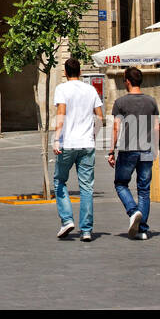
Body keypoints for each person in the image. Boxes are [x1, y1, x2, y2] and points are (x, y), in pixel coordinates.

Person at [51, 57, 103, 241]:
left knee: (59, 182)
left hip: (68, 143)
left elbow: (61, 113)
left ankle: (67, 220)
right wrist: (93, 134)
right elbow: (100, 117)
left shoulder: (62, 89)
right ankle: (87, 230)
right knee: (86, 187)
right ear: (80, 72)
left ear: (65, 72)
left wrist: (56, 139)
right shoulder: (90, 90)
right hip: (87, 143)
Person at [107, 66, 157, 240]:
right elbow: (156, 127)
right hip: (147, 148)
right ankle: (142, 229)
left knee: (120, 183)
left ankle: (133, 211)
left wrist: (111, 150)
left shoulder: (121, 103)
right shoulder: (151, 101)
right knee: (144, 189)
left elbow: (116, 127)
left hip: (128, 149)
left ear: (127, 81)